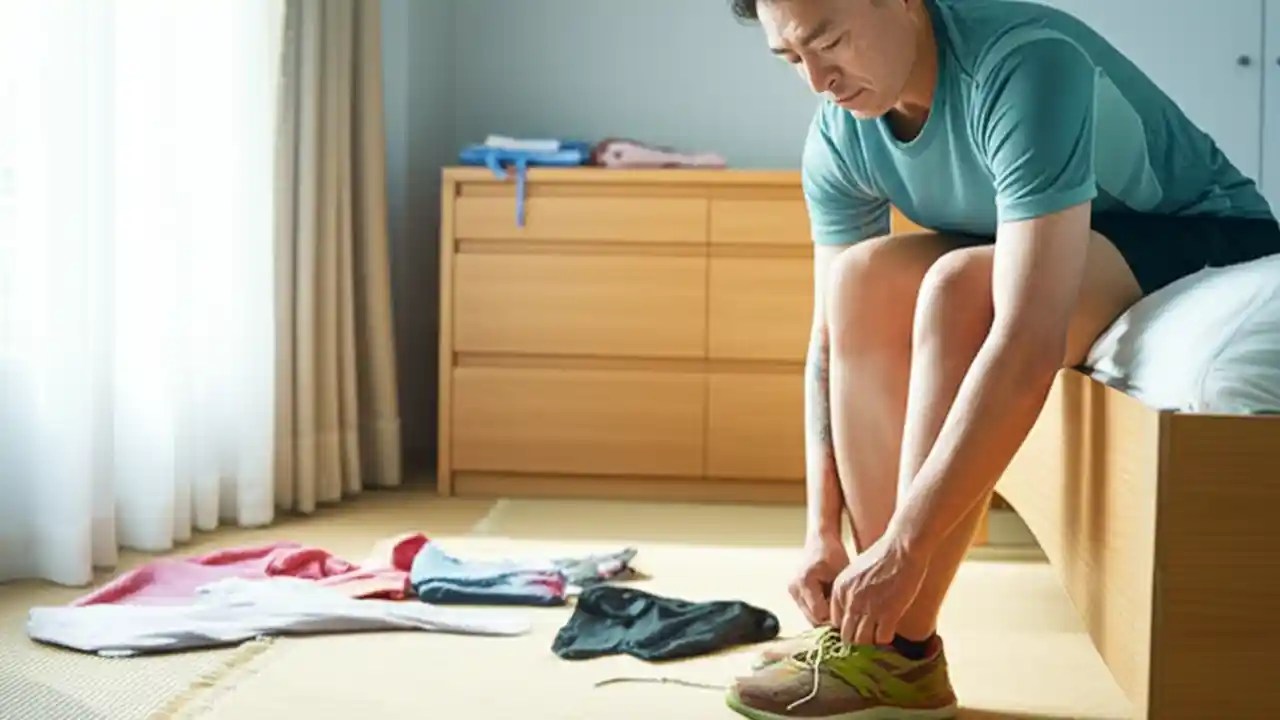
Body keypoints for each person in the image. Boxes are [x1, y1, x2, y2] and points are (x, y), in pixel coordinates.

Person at [724, 0, 1280, 717]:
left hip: (1196, 234)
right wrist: (822, 533)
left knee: (960, 289)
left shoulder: (1023, 65)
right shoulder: (840, 131)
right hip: (1052, 242)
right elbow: (828, 340)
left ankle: (900, 649)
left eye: (829, 41)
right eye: (792, 58)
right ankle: (871, 634)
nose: (818, 79)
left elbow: (1027, 337)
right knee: (860, 280)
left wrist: (905, 546)